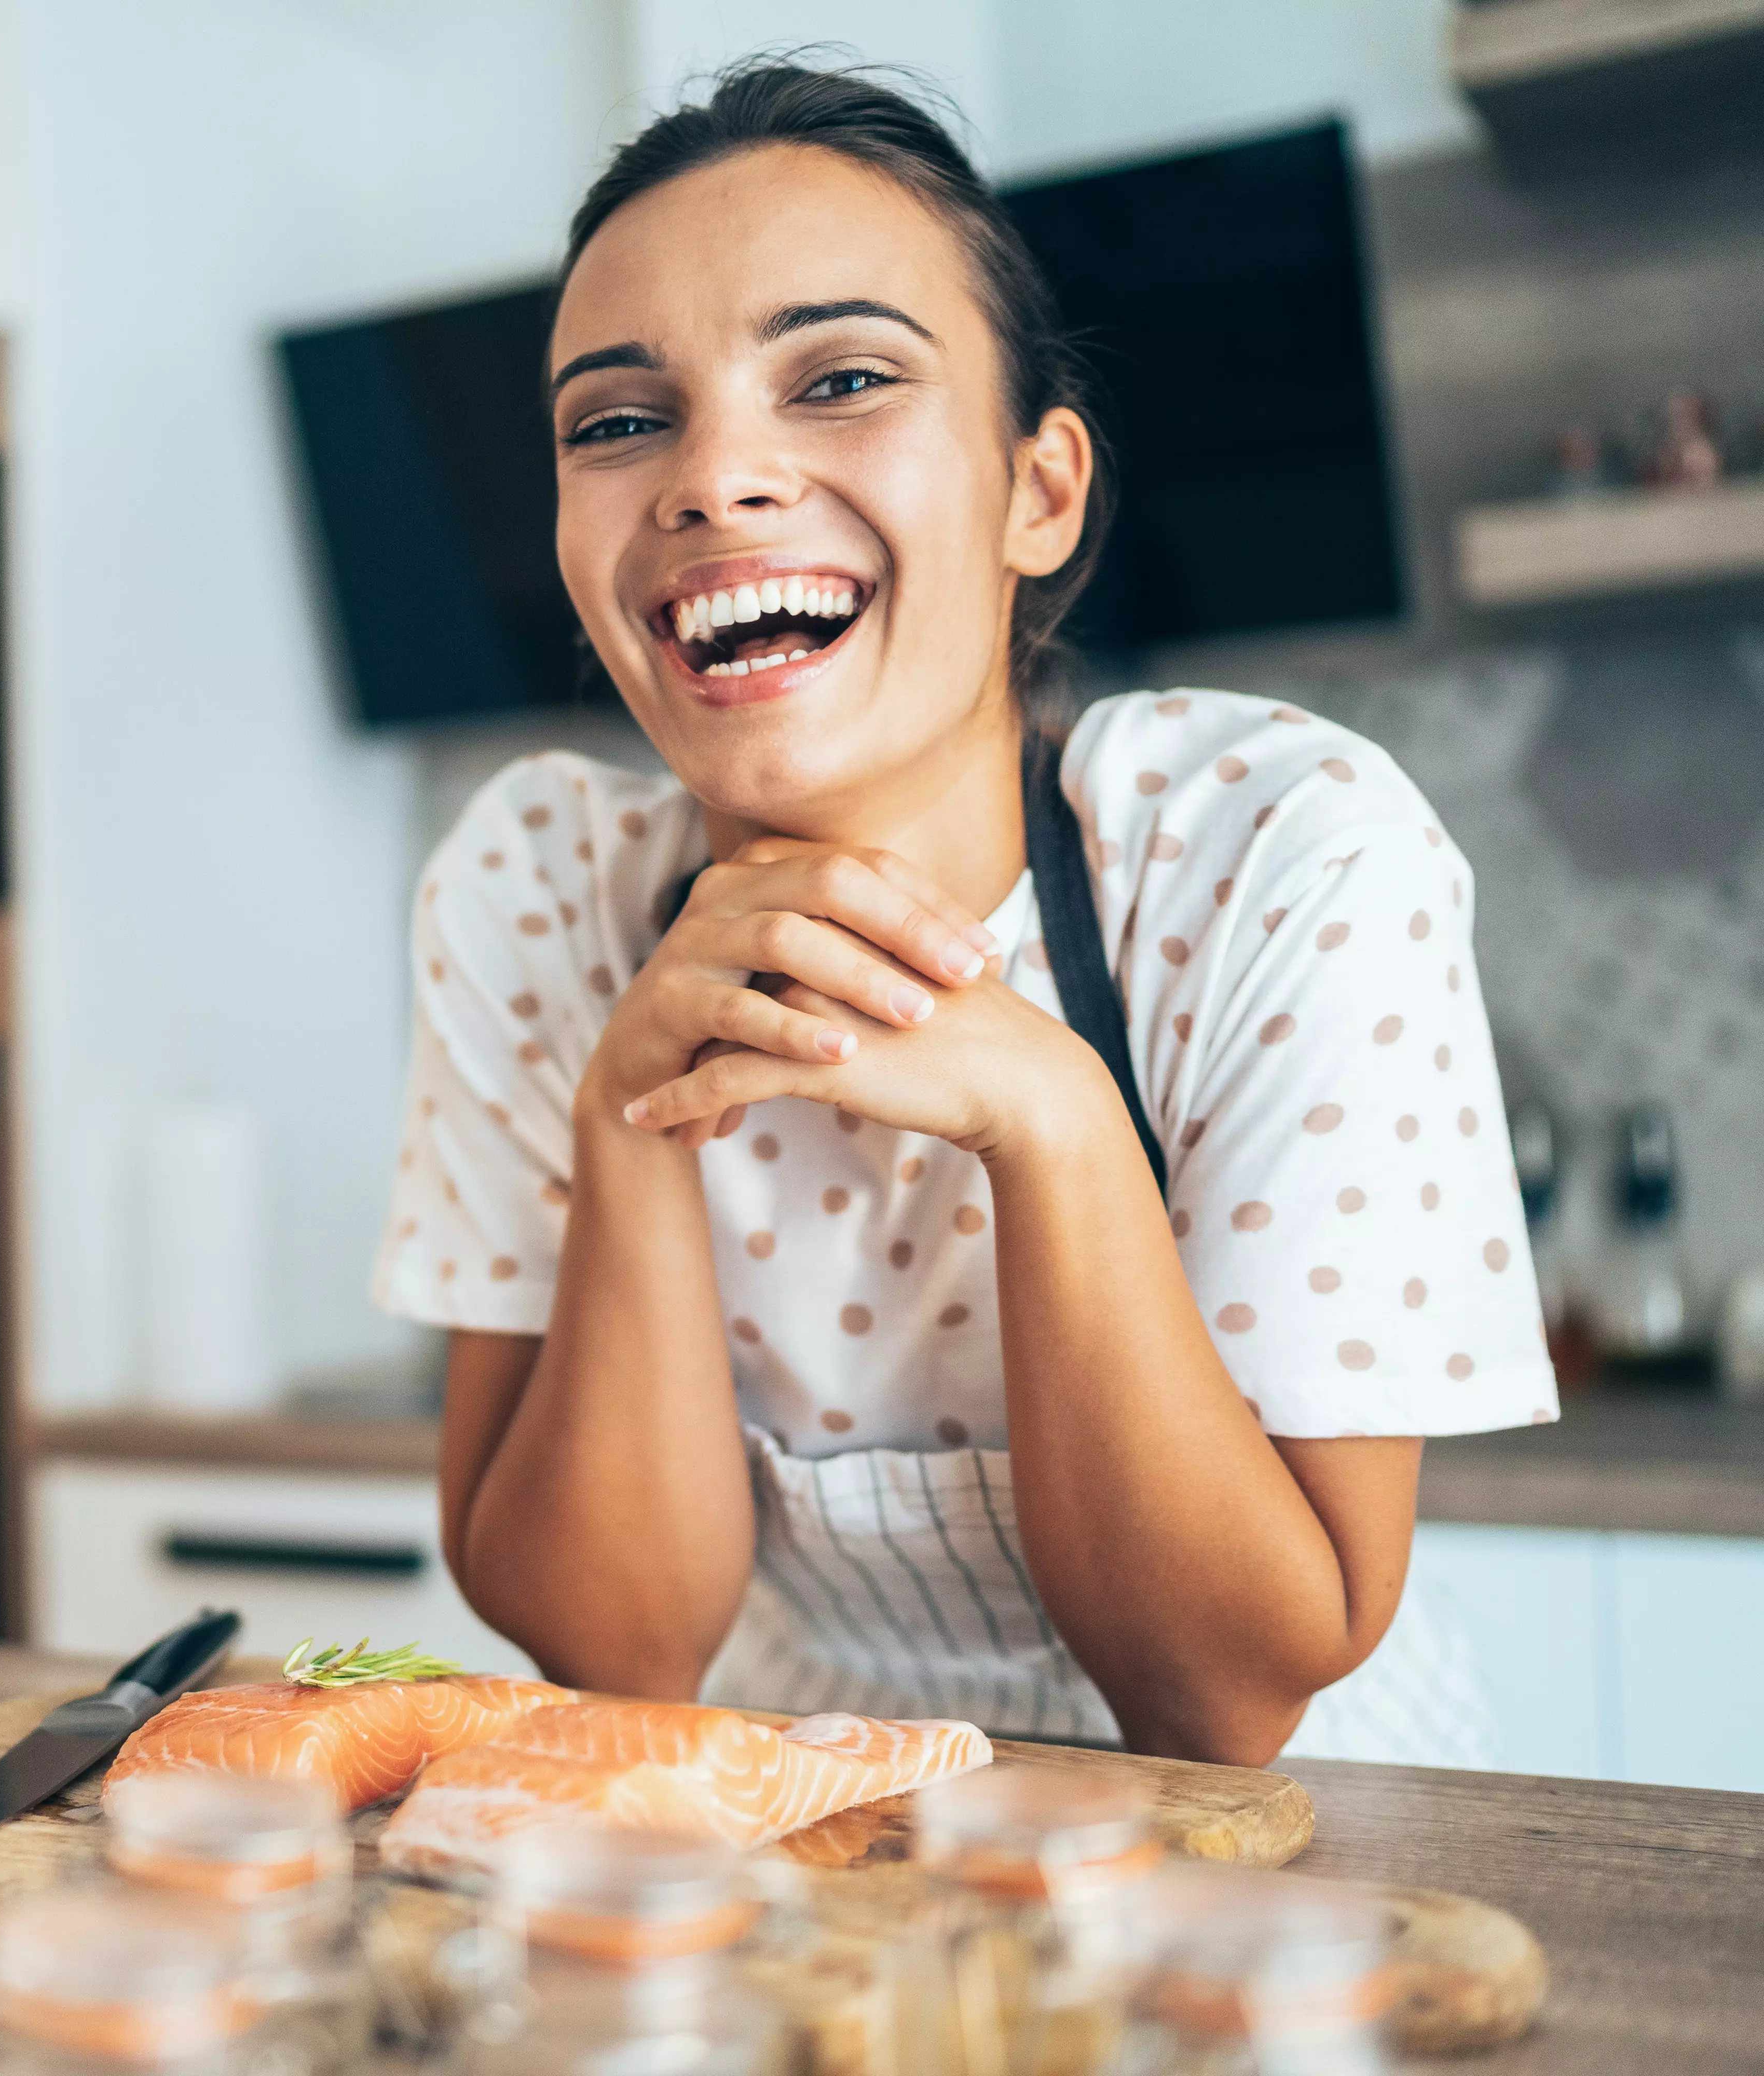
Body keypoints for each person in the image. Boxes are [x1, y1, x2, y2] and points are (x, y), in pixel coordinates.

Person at [372, 61, 1551, 1767]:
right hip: (813, 1807)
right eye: (619, 422)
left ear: (1040, 492)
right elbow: (617, 1651)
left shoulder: (1286, 849)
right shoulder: (533, 891)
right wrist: (632, 1125)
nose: (713, 478)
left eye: (840, 379)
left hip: (1299, 1834)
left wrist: (1056, 1119)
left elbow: (1221, 1697)